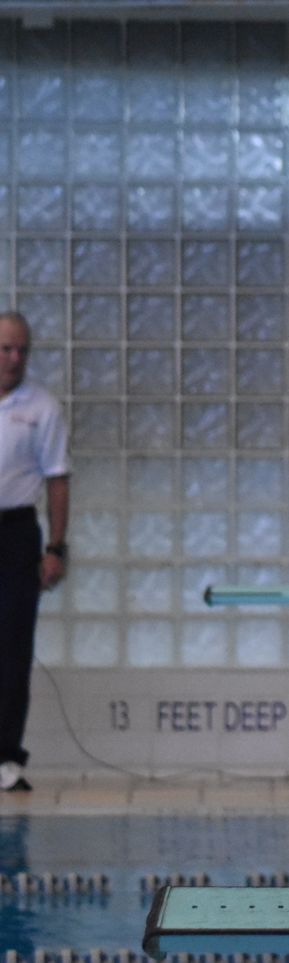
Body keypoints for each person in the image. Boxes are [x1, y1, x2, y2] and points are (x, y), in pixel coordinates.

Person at [0, 312, 69, 794]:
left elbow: (58, 479)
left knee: (12, 648)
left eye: (22, 350)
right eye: (5, 349)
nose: (14, 358)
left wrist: (56, 548)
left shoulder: (41, 407)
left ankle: (5, 757)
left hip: (16, 533)